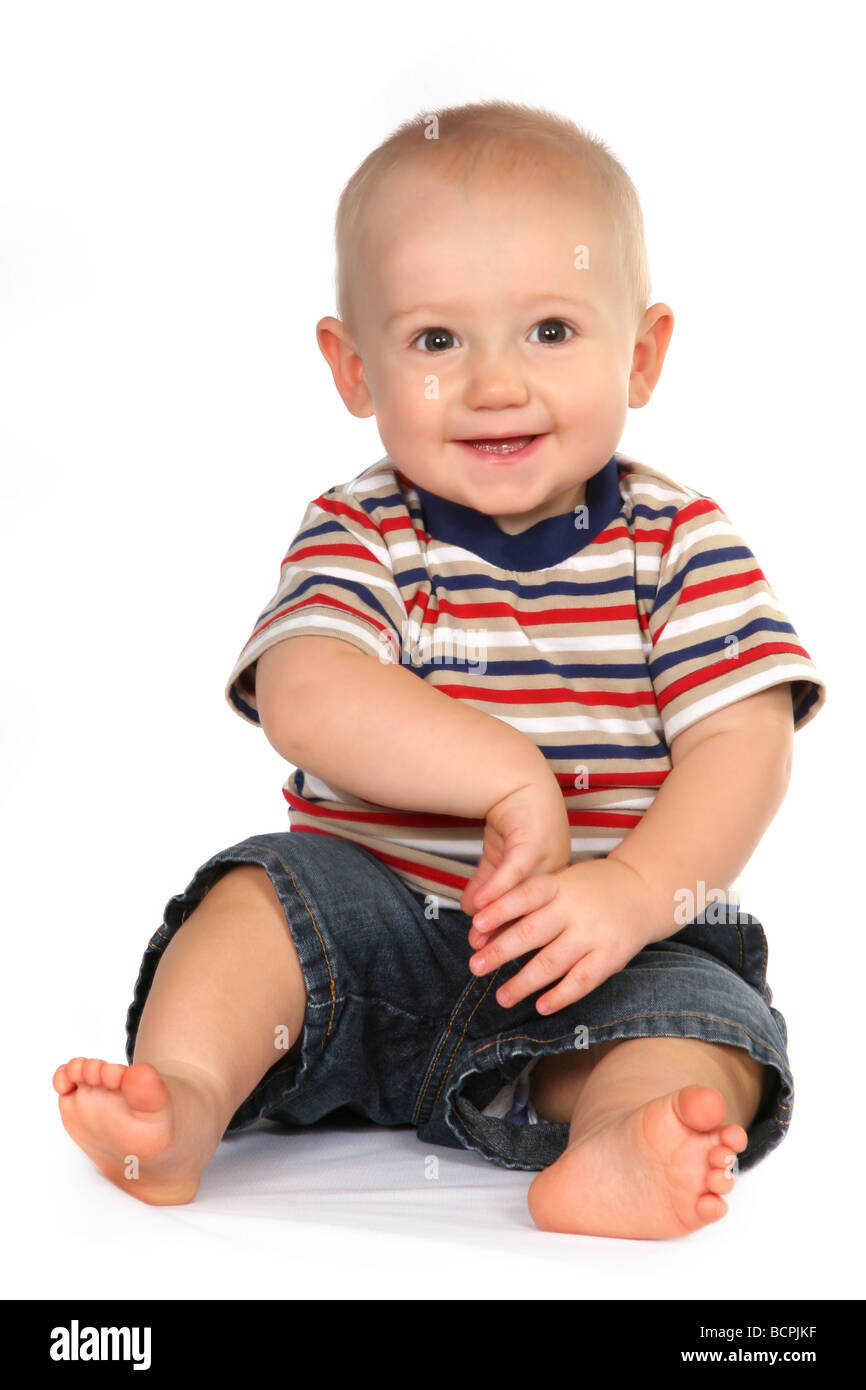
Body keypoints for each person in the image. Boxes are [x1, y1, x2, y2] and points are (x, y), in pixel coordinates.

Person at [53, 100, 827, 1239]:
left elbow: (743, 744)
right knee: (257, 902)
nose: (495, 383)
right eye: (435, 341)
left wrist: (630, 891)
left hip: (600, 958)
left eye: (549, 330)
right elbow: (305, 688)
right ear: (353, 367)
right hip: (370, 934)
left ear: (642, 353)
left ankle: (617, 1137)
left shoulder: (678, 546)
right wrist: (507, 774)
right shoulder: (363, 533)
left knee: (704, 1020)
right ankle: (186, 1097)